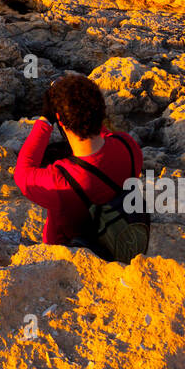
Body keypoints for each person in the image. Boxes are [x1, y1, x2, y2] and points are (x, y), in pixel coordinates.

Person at [13, 73, 143, 248]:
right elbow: (101, 135)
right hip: (121, 239)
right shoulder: (128, 145)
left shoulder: (60, 182)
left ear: (59, 118)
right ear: (101, 110)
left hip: (72, 258)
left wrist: (46, 119)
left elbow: (22, 172)